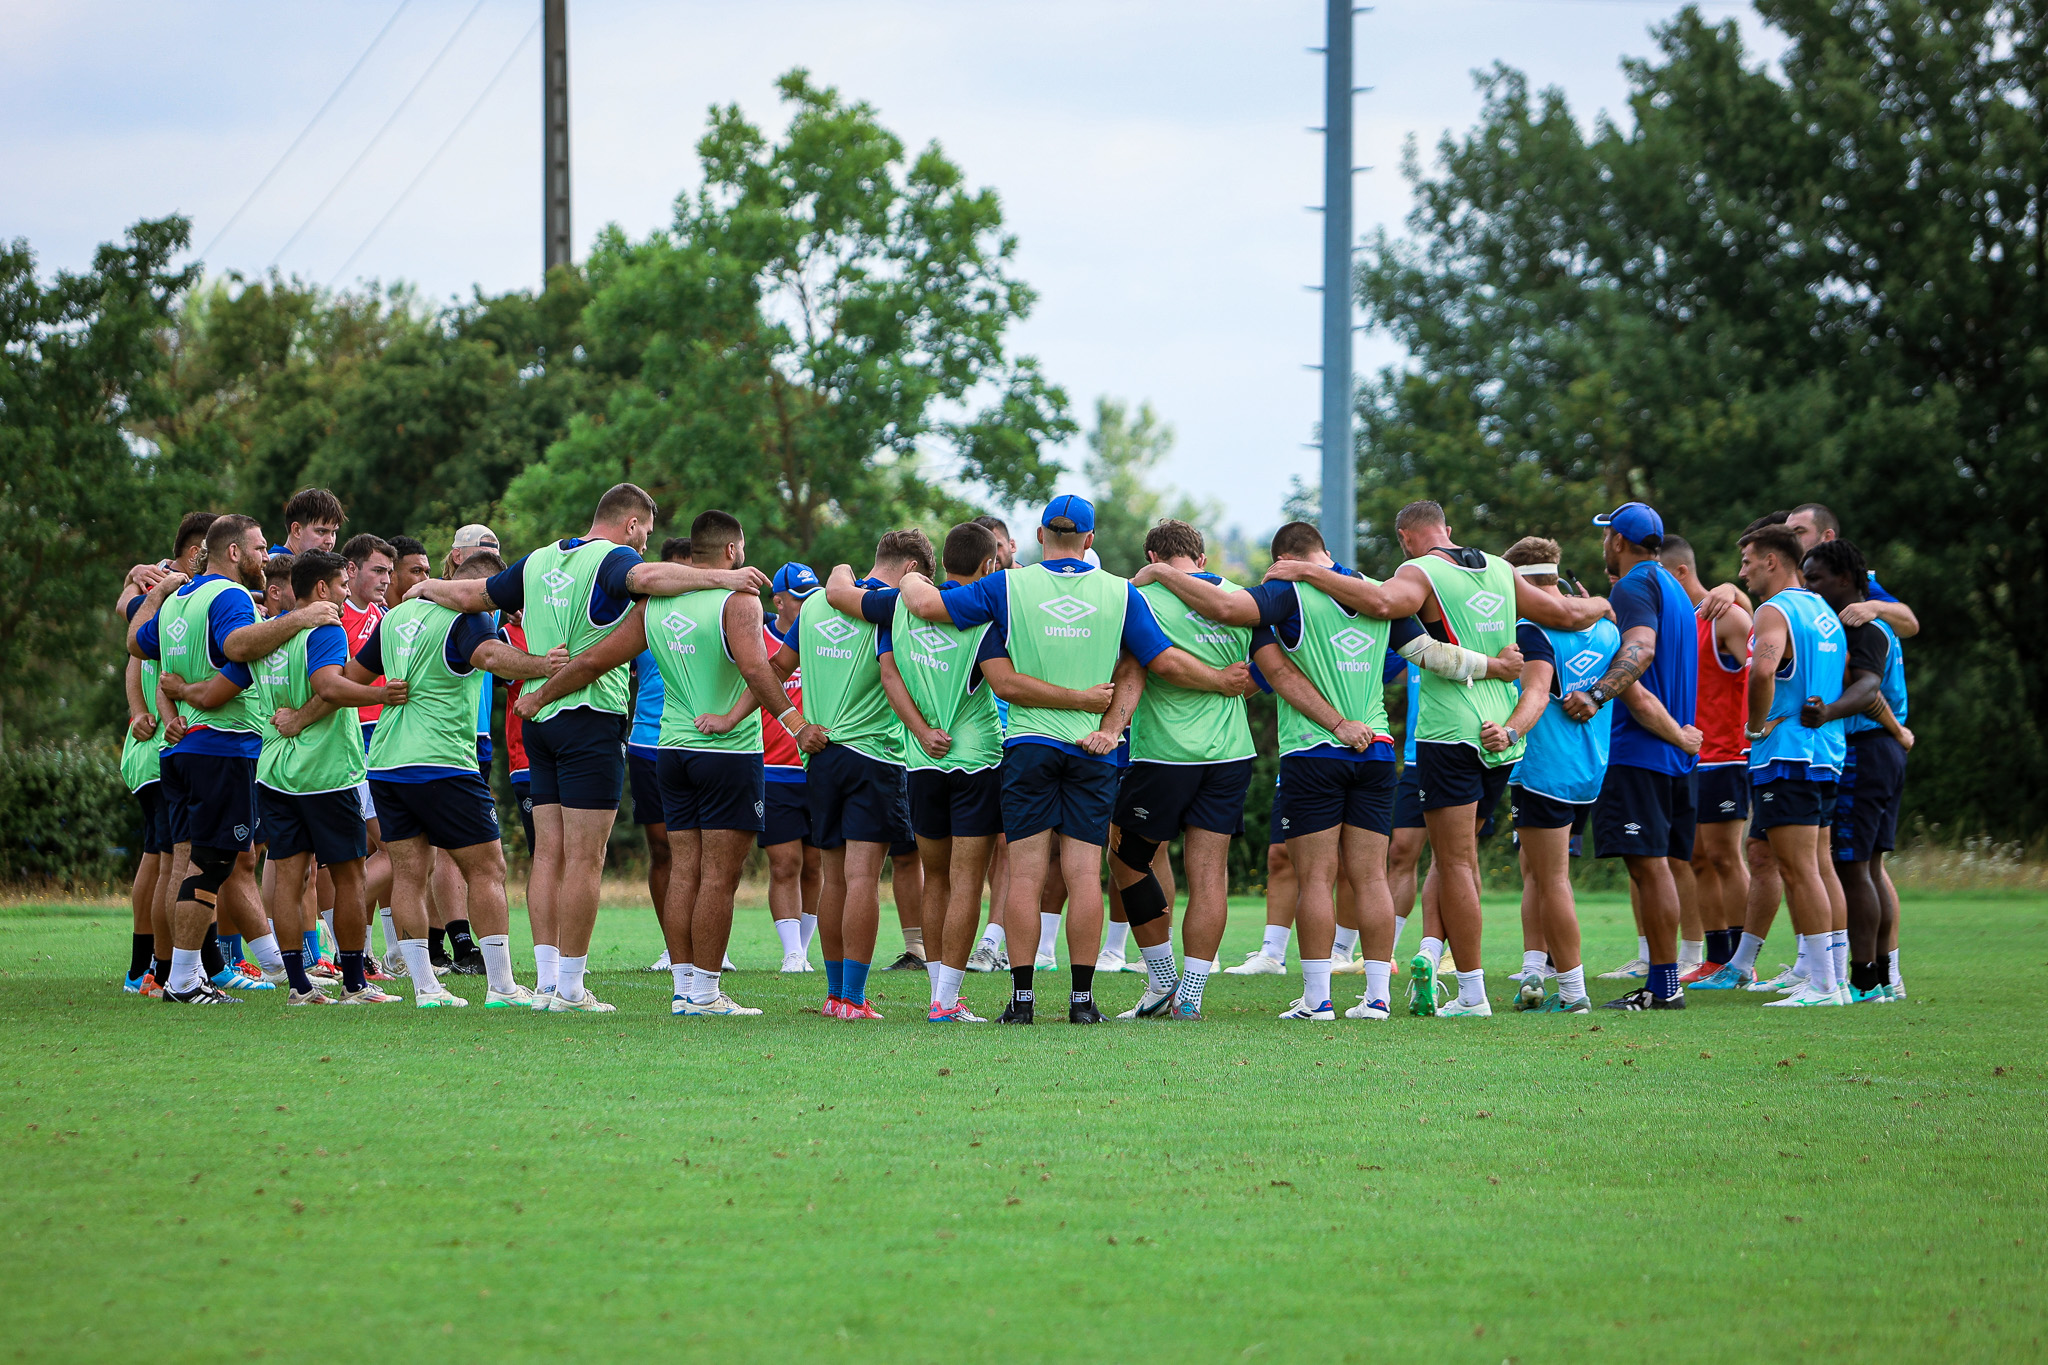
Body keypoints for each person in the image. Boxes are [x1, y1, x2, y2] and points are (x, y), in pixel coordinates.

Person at [897, 495, 1253, 1025]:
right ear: (1089, 540)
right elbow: (1148, 663)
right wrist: (1112, 727)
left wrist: (908, 577)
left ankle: (1021, 1002)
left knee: (1025, 876)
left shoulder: (1008, 586)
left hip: (1030, 745)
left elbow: (928, 608)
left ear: (1041, 535)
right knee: (1086, 875)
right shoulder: (1121, 592)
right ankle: (1082, 1003)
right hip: (1092, 750)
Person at [411, 483, 767, 1011]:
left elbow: (471, 596)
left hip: (537, 720)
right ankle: (572, 989)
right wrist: (723, 576)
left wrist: (424, 589)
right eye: (645, 532)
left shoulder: (538, 560)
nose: (644, 544)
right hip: (589, 715)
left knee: (547, 854)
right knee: (584, 856)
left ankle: (547, 984)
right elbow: (648, 578)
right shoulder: (612, 559)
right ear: (630, 523)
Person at [1144, 519, 1517, 1020]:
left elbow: (1228, 611)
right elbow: (1432, 655)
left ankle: (1317, 1000)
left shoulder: (1287, 593)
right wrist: (1495, 666)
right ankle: (1377, 998)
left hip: (1314, 751)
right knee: (1371, 878)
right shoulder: (1377, 592)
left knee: (1316, 879)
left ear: (1283, 560)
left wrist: (1161, 574)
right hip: (1377, 750)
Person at [1257, 501, 1605, 1017]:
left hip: (1450, 733)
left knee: (1452, 863)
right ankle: (1447, 965)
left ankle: (1471, 994)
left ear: (1405, 537)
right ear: (1448, 528)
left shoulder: (1419, 571)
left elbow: (1382, 603)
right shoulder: (1500, 569)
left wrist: (1307, 571)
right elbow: (1567, 616)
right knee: (1456, 861)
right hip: (1503, 737)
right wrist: (1604, 603)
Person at [127, 514, 342, 1004]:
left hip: (182, 750)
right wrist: (303, 617)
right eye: (260, 548)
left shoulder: (181, 599)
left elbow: (137, 644)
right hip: (221, 747)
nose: (266, 556)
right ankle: (185, 981)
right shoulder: (230, 596)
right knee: (210, 865)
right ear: (233, 552)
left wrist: (156, 598)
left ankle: (174, 972)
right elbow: (238, 646)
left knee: (185, 864)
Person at [1493, 538, 1691, 1013]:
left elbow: (1536, 694)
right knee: (1540, 875)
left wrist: (1509, 731)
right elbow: (1638, 698)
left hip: (1542, 771)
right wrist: (1682, 737)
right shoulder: (1604, 629)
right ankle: (1535, 973)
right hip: (1589, 774)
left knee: (1551, 880)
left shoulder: (1529, 629)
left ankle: (1571, 992)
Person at [360, 552, 556, 1007]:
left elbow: (353, 675)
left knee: (409, 873)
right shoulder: (469, 615)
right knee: (487, 869)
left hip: (386, 762)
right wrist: (543, 665)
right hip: (442, 762)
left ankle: (426, 988)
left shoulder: (396, 616)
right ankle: (502, 987)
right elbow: (488, 655)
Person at [849, 521, 1012, 1021]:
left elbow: (889, 674)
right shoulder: (984, 617)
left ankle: (937, 995)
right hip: (977, 759)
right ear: (988, 565)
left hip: (922, 760)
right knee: (967, 881)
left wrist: (920, 731)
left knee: (934, 877)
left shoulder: (901, 606)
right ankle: (946, 1000)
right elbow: (1005, 684)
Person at [779, 530, 935, 1019]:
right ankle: (854, 998)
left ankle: (834, 996)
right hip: (875, 755)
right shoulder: (893, 607)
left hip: (822, 756)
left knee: (835, 881)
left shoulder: (814, 606)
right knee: (863, 878)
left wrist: (794, 723)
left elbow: (774, 668)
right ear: (911, 569)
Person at [248, 549, 406, 1004]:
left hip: (275, 770)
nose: (344, 592)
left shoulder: (269, 634)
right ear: (321, 588)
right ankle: (355, 983)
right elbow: (329, 686)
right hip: (327, 772)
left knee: (290, 876)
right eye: (340, 584)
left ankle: (299, 985)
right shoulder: (326, 628)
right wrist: (382, 694)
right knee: (350, 876)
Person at [1739, 523, 1852, 1007]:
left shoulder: (1774, 609)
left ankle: (1823, 986)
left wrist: (1754, 726)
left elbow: (1763, 671)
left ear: (1771, 561)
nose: (1742, 572)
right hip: (1826, 752)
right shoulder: (1824, 611)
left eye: (1747, 561)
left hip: (1787, 754)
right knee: (1821, 867)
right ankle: (1835, 979)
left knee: (1799, 869)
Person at [1801, 540, 1913, 1003]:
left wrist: (1828, 712)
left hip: (1865, 752)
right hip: (1885, 750)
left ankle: (1864, 979)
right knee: (1868, 865)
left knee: (1851, 867)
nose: (1809, 588)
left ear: (1845, 579)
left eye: (1815, 579)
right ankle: (1883, 978)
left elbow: (1869, 689)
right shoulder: (1874, 624)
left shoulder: (1861, 626)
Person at [1657, 535, 1757, 988]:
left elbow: (1762, 669)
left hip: (1727, 757)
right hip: (1690, 756)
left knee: (1724, 856)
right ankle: (1717, 958)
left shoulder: (1726, 615)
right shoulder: (1679, 622)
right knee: (1696, 857)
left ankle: (1742, 961)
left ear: (1680, 572)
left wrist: (1756, 731)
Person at [632, 538, 689, 974]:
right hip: (648, 743)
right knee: (663, 848)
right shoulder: (643, 615)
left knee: (704, 850)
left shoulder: (718, 610)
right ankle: (673, 945)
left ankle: (706, 940)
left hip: (696, 743)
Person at [762, 562, 823, 970]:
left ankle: (803, 951)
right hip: (772, 768)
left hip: (816, 767)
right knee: (785, 863)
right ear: (779, 601)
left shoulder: (823, 636)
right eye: (799, 599)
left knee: (816, 864)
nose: (807, 606)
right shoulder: (758, 638)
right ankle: (792, 953)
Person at [272, 488, 345, 556]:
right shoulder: (274, 564)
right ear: (297, 530)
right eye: (321, 531)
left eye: (333, 532)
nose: (330, 541)